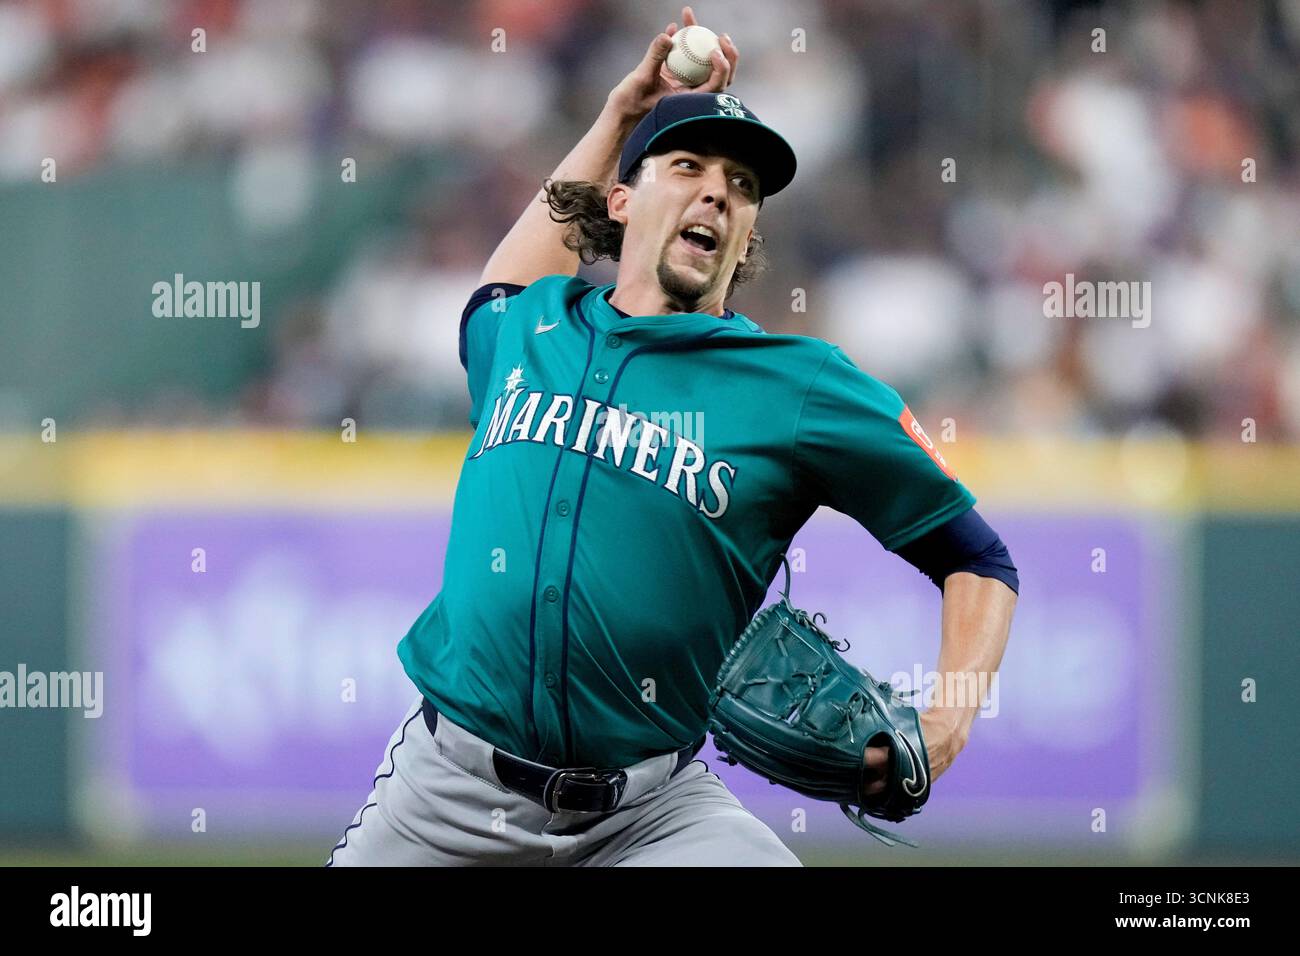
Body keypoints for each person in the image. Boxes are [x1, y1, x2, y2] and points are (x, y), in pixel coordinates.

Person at [329, 7, 1018, 867]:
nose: (716, 193)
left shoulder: (797, 386)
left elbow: (978, 558)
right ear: (620, 199)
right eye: (687, 166)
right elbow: (502, 279)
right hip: (446, 799)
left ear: (748, 231)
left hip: (653, 818)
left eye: (741, 186)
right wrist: (619, 116)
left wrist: (946, 722)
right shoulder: (533, 328)